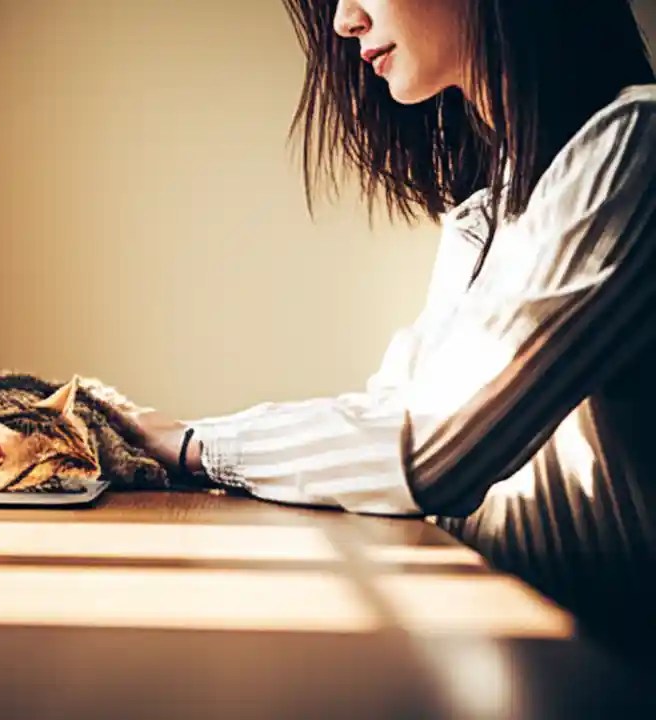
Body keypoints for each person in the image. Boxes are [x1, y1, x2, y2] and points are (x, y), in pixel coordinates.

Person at [124, 0, 656, 660]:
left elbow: (433, 452)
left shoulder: (641, 146)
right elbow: (389, 415)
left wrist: (192, 444)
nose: (346, 20)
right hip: (509, 661)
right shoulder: (484, 220)